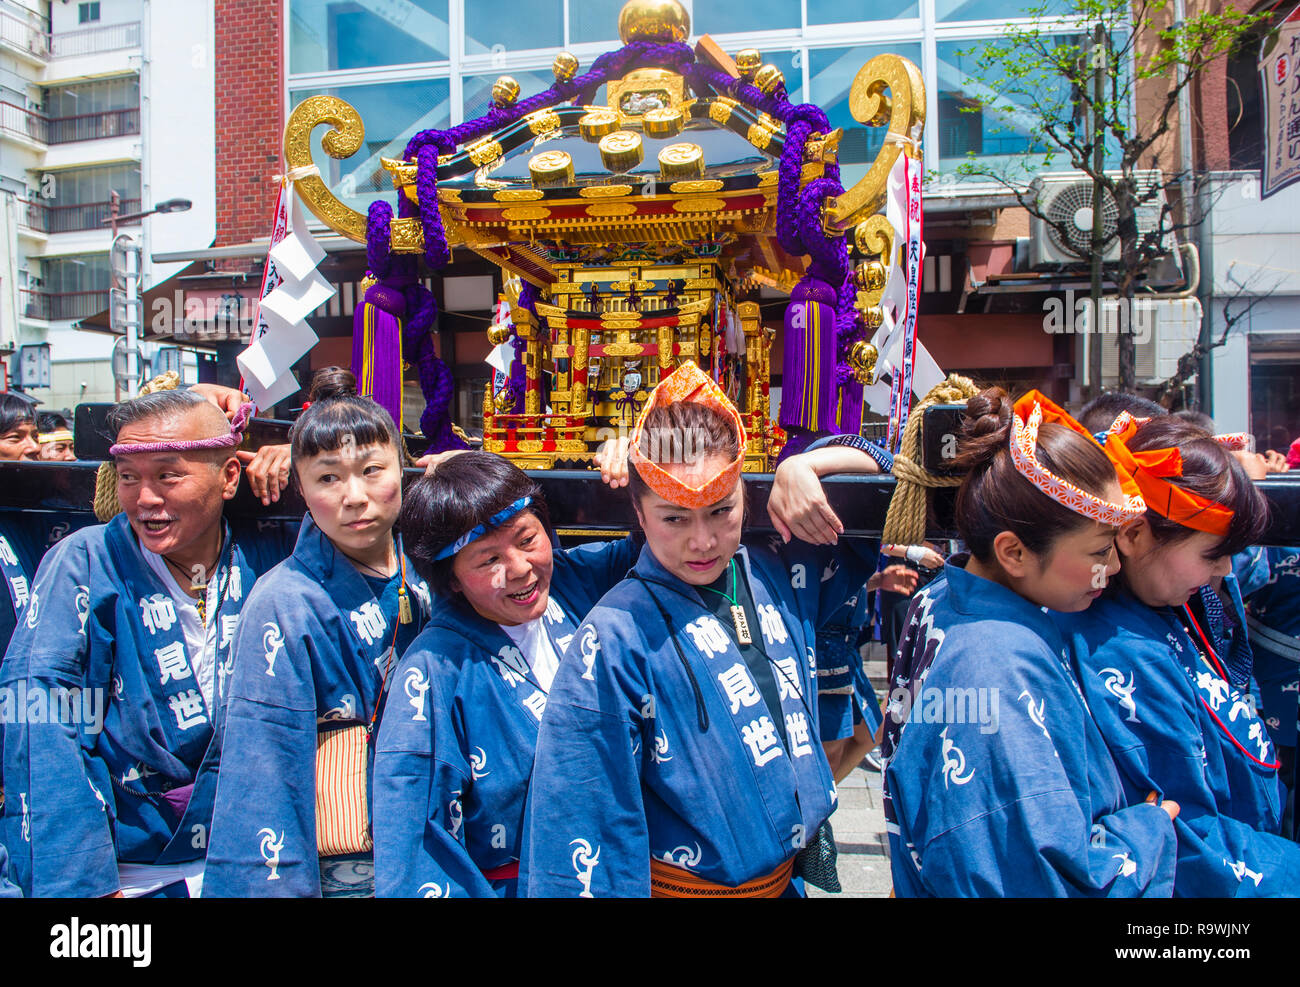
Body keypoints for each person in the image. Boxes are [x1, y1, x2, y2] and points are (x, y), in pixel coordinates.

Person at [520, 361, 891, 897]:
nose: (704, 541)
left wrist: (801, 466)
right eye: (675, 518)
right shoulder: (613, 635)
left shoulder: (774, 568)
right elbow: (580, 817)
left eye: (722, 510)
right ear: (639, 515)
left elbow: (887, 467)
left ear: (748, 495)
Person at [882, 388, 1178, 898]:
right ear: (1014, 552)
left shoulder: (941, 596)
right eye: (1099, 550)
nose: (1111, 568)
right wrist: (1150, 827)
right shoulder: (996, 666)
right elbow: (1039, 878)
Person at [0, 388, 290, 896]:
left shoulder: (272, 547)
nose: (145, 498)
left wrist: (305, 464)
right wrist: (82, 884)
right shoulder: (86, 562)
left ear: (227, 477)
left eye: (168, 474)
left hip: (260, 859)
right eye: (129, 477)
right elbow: (43, 714)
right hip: (129, 874)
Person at [203, 368, 431, 898]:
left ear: (406, 468)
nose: (354, 496)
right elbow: (264, 763)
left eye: (373, 469)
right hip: (346, 860)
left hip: (438, 837)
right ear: (299, 487)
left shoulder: (432, 564)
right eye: (328, 477)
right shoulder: (283, 602)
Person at [371, 451, 639, 898]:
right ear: (451, 579)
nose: (519, 568)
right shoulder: (433, 671)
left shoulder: (578, 583)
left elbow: (671, 543)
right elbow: (416, 838)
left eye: (527, 539)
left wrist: (639, 469)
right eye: (487, 559)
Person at [1053, 414, 1300, 895]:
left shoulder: (1171, 603)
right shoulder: (1118, 649)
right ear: (1134, 533)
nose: (1226, 571)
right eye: (1213, 554)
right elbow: (1186, 833)